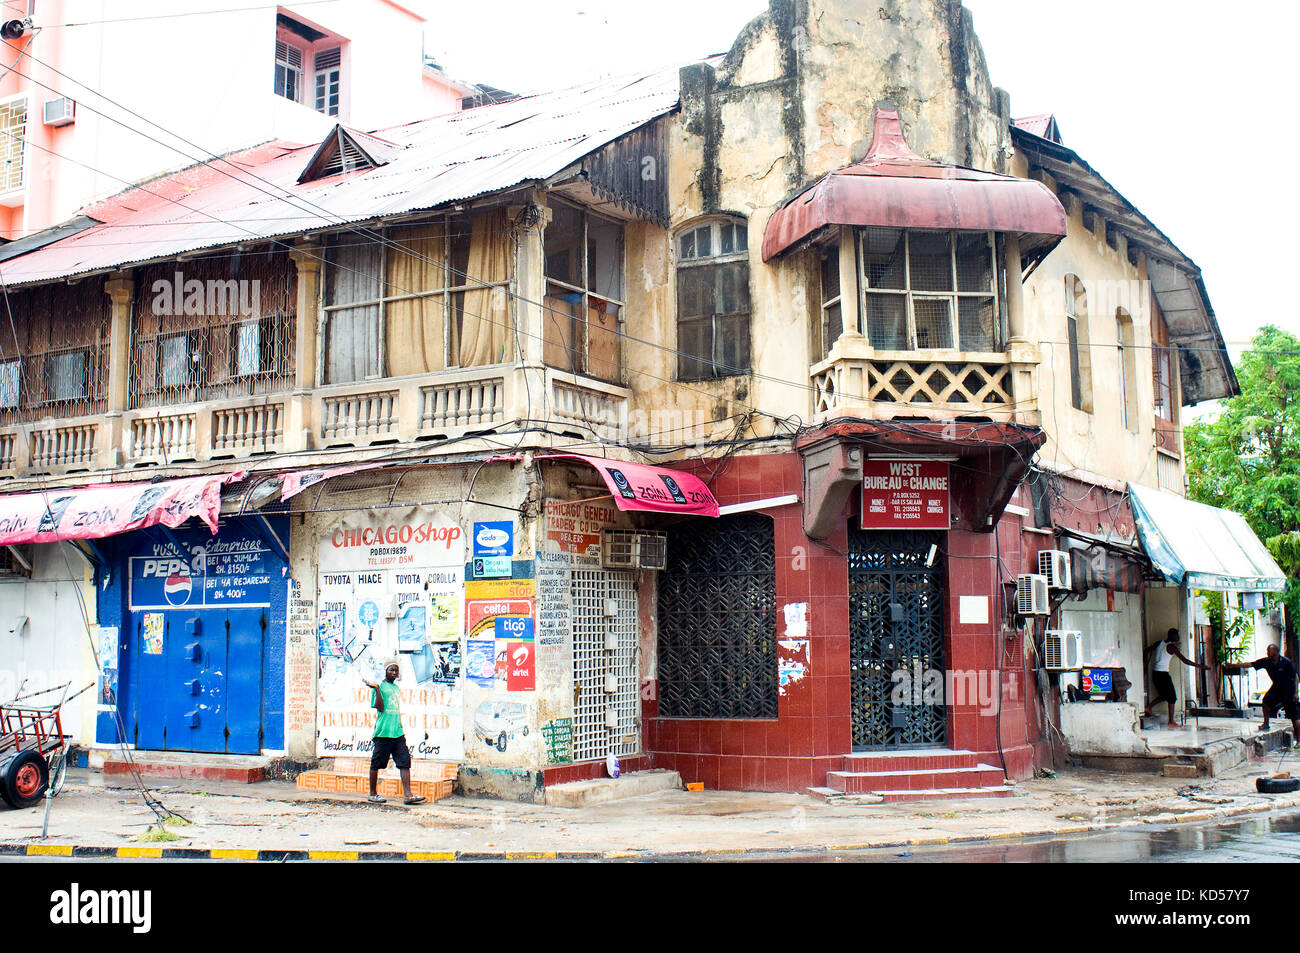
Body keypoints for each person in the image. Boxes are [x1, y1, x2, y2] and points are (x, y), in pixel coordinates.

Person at [361, 659, 426, 805]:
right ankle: (372, 793)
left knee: (404, 762)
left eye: (396, 670)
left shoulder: (395, 688)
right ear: (385, 671)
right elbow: (380, 707)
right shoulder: (379, 686)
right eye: (391, 670)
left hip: (397, 732)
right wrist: (377, 689)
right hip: (383, 732)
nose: (394, 673)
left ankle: (408, 795)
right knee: (376, 763)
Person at [1224, 643, 1300, 740]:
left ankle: (1299, 740)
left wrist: (1296, 693)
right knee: (1266, 701)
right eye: (1267, 650)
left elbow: (1296, 677)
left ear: (1276, 652)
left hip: (1288, 688)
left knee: (1294, 716)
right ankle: (1266, 724)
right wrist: (1233, 666)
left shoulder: (1286, 662)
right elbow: (1250, 664)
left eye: (1269, 651)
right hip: (1276, 687)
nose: (1267, 652)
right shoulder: (1266, 661)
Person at [1143, 629, 1208, 728]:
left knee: (1165, 696)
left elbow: (1147, 650)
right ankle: (1171, 721)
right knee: (1172, 697)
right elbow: (1185, 661)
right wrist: (1202, 667)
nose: (1178, 638)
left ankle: (1148, 707)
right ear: (1172, 636)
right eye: (1177, 636)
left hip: (1155, 674)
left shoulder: (1159, 643)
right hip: (1163, 674)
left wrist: (1145, 664)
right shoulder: (1172, 647)